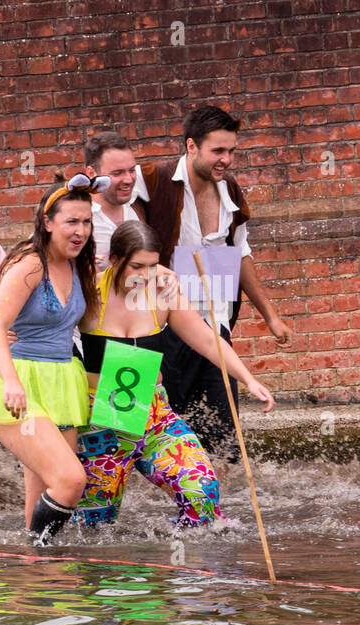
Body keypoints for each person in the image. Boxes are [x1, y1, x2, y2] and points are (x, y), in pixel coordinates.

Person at [74, 221, 273, 530]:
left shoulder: (163, 294)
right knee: (93, 525)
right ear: (114, 259)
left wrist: (249, 379)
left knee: (201, 490)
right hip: (101, 421)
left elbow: (208, 341)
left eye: (153, 266)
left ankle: (185, 564)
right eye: (137, 266)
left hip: (154, 414)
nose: (145, 275)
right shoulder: (87, 292)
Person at [132, 105, 291, 461]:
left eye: (232, 151)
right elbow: (112, 218)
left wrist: (270, 316)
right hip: (160, 325)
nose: (227, 159)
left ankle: (214, 505)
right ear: (191, 146)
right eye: (218, 151)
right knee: (152, 426)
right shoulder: (151, 179)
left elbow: (241, 254)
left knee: (224, 437)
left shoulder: (229, 191)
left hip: (214, 322)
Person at [0, 175, 108, 544]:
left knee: (42, 492)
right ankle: (38, 552)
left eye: (86, 222)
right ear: (47, 222)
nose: (81, 231)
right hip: (18, 384)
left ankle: (35, 578)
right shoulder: (29, 264)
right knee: (71, 481)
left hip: (62, 383)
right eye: (71, 222)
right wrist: (10, 381)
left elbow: (96, 328)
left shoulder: (81, 266)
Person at [83, 131, 144, 268]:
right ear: (92, 173)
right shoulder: (75, 215)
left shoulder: (138, 204)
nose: (128, 179)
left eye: (132, 170)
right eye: (117, 173)